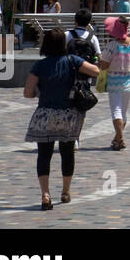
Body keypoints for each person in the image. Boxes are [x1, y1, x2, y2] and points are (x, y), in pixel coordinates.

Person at [24, 28, 99, 210]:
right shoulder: (73, 61)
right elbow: (96, 71)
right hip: (69, 115)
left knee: (44, 155)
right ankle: (65, 192)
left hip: (45, 115)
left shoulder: (39, 66)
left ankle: (45, 194)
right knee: (67, 153)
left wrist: (39, 92)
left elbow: (28, 93)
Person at [103, 16, 130, 149]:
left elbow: (104, 64)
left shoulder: (112, 44)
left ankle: (120, 138)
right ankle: (117, 139)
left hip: (114, 81)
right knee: (124, 111)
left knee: (116, 110)